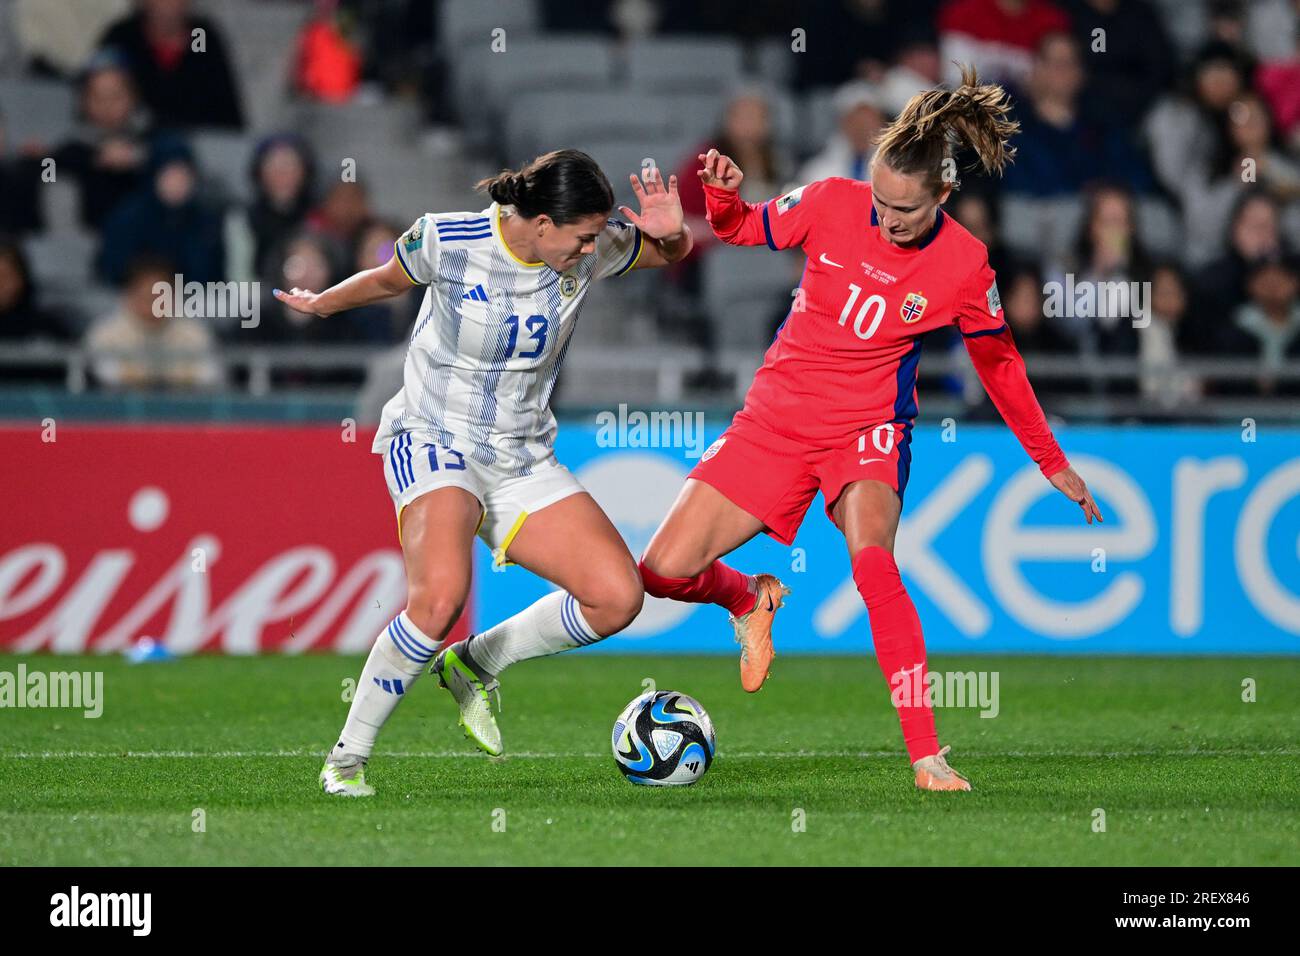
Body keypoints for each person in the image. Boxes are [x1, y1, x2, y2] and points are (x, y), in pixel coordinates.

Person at [636, 66, 1102, 794]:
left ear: (945, 195)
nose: (886, 220)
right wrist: (723, 201)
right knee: (660, 571)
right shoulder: (830, 201)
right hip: (777, 417)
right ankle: (747, 599)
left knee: (874, 566)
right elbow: (740, 227)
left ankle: (927, 754)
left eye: (906, 211)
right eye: (880, 202)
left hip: (869, 428)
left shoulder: (964, 264)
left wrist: (1051, 460)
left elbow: (999, 362)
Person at [273, 149, 694, 796]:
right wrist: (324, 304)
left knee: (617, 598)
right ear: (543, 223)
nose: (589, 251)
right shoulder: (448, 237)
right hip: (435, 437)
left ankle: (477, 662)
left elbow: (670, 253)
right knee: (438, 600)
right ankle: (347, 759)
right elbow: (389, 279)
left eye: (594, 239)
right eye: (581, 238)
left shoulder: (589, 246)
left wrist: (673, 233)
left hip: (523, 455)